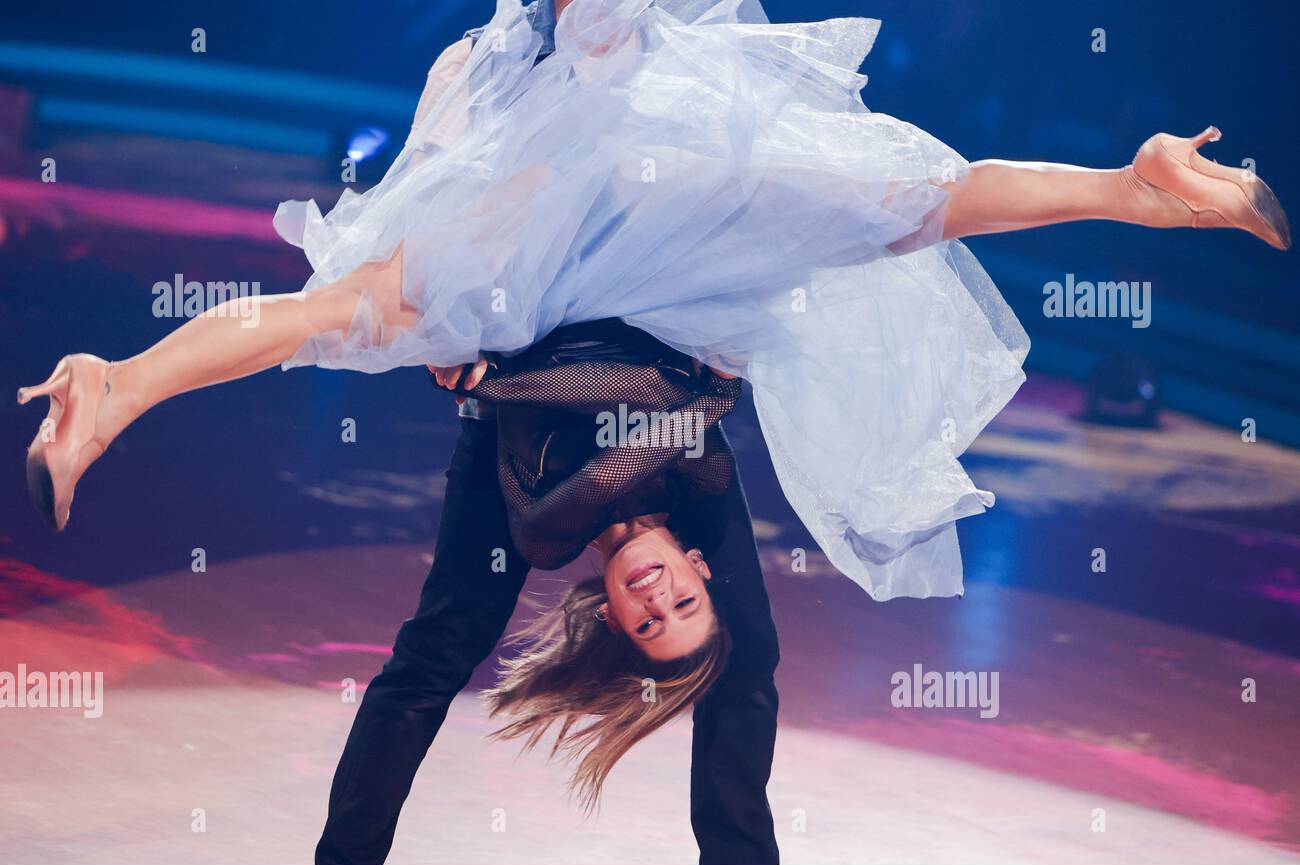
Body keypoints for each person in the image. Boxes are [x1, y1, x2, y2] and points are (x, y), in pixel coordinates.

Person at [20, 0, 1290, 602]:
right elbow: (945, 199)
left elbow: (946, 199)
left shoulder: (494, 283)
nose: (659, 590)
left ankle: (118, 385)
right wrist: (1125, 187)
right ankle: (118, 385)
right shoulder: (607, 237)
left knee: (340, 315)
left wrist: (1126, 187)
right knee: (905, 200)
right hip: (625, 188)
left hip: (604, 192)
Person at [316, 318, 782, 865]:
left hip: (520, 380)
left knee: (437, 650)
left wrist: (483, 383)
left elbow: (635, 422)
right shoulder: (700, 475)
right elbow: (650, 394)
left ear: (611, 615)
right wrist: (719, 386)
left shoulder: (548, 535)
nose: (658, 597)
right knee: (742, 649)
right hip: (626, 320)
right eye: (682, 602)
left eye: (647, 622)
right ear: (699, 564)